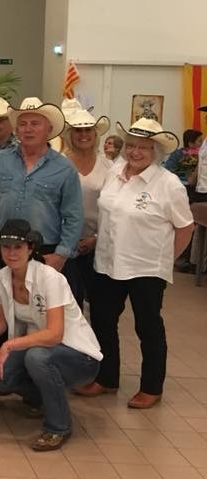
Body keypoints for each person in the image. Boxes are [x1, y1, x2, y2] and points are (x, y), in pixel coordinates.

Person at [77, 119, 193, 409]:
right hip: (106, 262)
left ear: (156, 151)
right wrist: (96, 238)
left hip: (145, 269)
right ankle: (106, 378)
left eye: (143, 147)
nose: (136, 152)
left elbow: (185, 227)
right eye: (131, 146)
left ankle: (152, 387)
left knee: (147, 326)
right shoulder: (115, 171)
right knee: (103, 321)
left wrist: (168, 260)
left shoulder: (168, 185)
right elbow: (110, 214)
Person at [0, 219, 102, 451]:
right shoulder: (2, 277)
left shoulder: (50, 278)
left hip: (79, 357)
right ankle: (42, 397)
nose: (11, 253)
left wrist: (9, 346)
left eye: (18, 247)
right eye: (6, 247)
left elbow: (54, 335)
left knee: (37, 357)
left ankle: (58, 426)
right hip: (36, 349)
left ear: (31, 248)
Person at [0, 98, 83, 293]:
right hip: (2, 247)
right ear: (16, 129)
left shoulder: (65, 168)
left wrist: (61, 255)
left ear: (49, 129)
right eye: (23, 124)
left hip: (45, 251)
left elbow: (73, 216)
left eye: (35, 124)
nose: (28, 129)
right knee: (3, 309)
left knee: (43, 311)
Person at [60, 101, 111, 307]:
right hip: (64, 243)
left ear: (95, 134)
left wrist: (96, 238)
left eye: (88, 130)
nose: (83, 135)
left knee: (100, 303)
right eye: (77, 130)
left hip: (98, 242)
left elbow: (113, 209)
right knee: (70, 302)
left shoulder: (109, 167)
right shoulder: (59, 164)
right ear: (70, 134)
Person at [164, 128, 202, 194]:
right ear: (191, 143)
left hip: (199, 187)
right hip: (181, 186)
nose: (202, 144)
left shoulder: (202, 155)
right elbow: (168, 170)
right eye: (200, 141)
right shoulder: (178, 154)